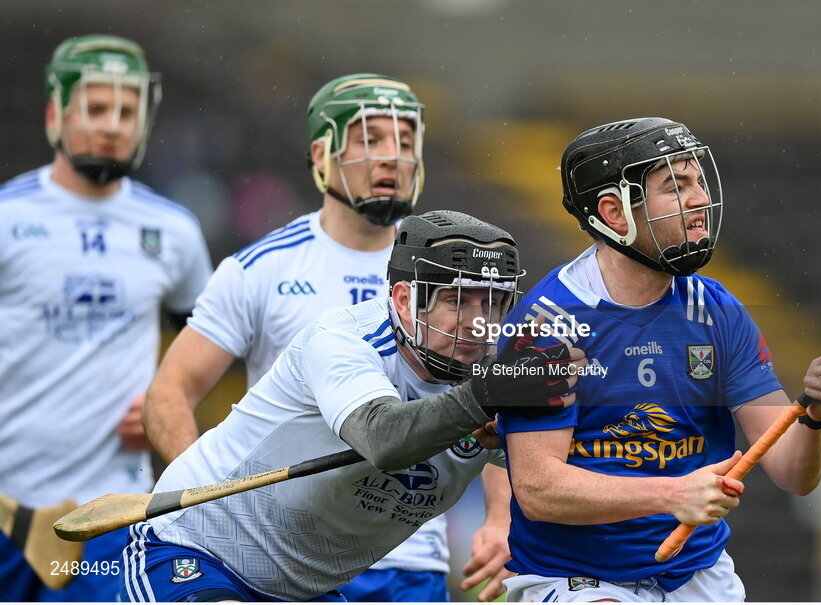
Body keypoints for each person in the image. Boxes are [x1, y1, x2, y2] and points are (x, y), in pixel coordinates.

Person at [142, 73, 514, 601]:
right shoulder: (261, 269)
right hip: (263, 543)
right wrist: (205, 499)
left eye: (405, 141)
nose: (392, 157)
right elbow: (171, 391)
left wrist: (500, 516)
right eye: (370, 139)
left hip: (405, 553)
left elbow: (494, 398)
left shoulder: (461, 276)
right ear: (322, 155)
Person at [119, 210, 584, 602]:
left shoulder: (499, 371)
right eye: (456, 301)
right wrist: (486, 396)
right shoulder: (343, 340)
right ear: (405, 300)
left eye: (495, 303)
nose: (477, 322)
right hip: (196, 547)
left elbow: (571, 467)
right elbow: (385, 439)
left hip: (307, 590)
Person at [495, 117, 821, 602]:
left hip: (696, 573)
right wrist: (672, 495)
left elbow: (794, 475)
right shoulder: (544, 328)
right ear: (614, 213)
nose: (699, 200)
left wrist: (817, 417)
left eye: (698, 181)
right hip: (576, 578)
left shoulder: (716, 312)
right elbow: (539, 491)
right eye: (676, 187)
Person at [0, 34, 212, 600]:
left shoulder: (174, 231)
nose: (112, 125)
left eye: (126, 110)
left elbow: (209, 348)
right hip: (5, 502)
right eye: (95, 108)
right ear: (55, 114)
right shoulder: (6, 216)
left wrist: (168, 401)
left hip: (111, 513)